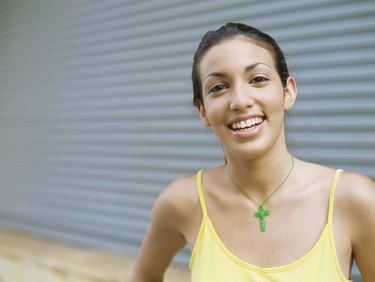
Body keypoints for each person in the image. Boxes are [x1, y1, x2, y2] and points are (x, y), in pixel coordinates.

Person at [131, 23, 375, 282]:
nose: (240, 101)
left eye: (258, 79)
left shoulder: (354, 199)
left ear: (288, 91)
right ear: (202, 111)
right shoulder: (182, 202)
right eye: (218, 87)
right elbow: (144, 276)